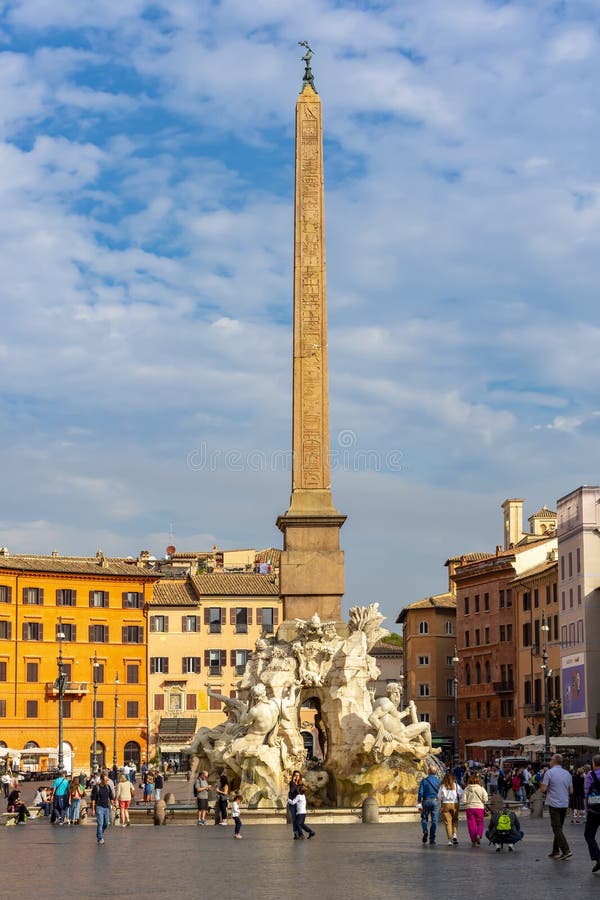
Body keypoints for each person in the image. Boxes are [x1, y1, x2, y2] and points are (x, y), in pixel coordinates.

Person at [540, 752, 573, 860]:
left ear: (554, 761)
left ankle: (566, 850)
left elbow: (543, 789)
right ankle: (555, 851)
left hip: (554, 803)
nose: (550, 761)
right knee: (559, 827)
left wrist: (544, 787)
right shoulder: (567, 773)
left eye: (551, 760)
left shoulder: (549, 773)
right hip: (564, 803)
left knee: (556, 828)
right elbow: (571, 791)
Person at [583, 753, 600, 874]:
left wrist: (587, 809)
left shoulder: (590, 775)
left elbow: (586, 793)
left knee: (589, 835)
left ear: (593, 764)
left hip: (594, 810)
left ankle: (597, 857)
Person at [462, 773, 488, 846]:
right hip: (479, 808)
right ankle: (479, 835)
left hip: (470, 808)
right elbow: (485, 799)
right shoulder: (481, 788)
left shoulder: (467, 788)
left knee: (471, 824)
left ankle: (473, 840)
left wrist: (466, 802)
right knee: (480, 822)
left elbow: (463, 800)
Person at [438, 771, 463, 845]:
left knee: (447, 822)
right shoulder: (455, 785)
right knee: (455, 820)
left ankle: (449, 840)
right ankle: (455, 835)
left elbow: (439, 796)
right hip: (454, 804)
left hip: (445, 804)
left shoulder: (442, 786)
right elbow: (461, 793)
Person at [417, 765, 440, 846]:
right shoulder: (438, 781)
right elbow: (441, 793)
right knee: (434, 821)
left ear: (428, 771)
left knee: (424, 818)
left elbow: (420, 793)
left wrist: (419, 803)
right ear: (436, 772)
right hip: (435, 801)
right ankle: (432, 839)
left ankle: (425, 831)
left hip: (426, 801)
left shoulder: (424, 780)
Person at [91, 772, 115, 844]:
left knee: (106, 823)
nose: (106, 781)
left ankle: (99, 832)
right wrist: (93, 810)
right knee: (100, 823)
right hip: (99, 807)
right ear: (101, 779)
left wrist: (113, 805)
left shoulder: (108, 787)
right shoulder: (96, 787)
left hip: (106, 807)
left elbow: (111, 797)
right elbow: (93, 799)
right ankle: (100, 838)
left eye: (107, 780)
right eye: (105, 780)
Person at [288, 770, 303, 839]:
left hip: (299, 804)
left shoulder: (301, 784)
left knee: (298, 820)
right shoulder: (291, 783)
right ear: (293, 776)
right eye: (295, 775)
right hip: (292, 804)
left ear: (300, 776)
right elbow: (292, 791)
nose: (296, 776)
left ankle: (300, 833)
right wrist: (293, 782)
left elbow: (302, 792)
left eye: (298, 775)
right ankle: (296, 834)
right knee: (294, 819)